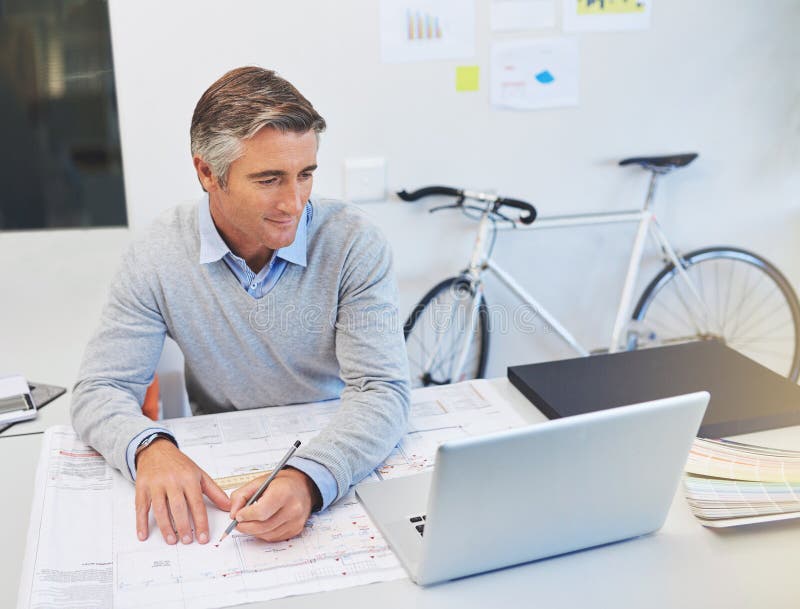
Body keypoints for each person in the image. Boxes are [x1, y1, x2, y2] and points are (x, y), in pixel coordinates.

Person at [71, 66, 410, 547]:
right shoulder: (158, 253)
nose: (294, 203)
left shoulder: (354, 242)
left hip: (339, 445)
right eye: (270, 179)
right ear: (207, 173)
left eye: (305, 175)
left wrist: (309, 479)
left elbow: (382, 390)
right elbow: (99, 388)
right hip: (224, 461)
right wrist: (150, 448)